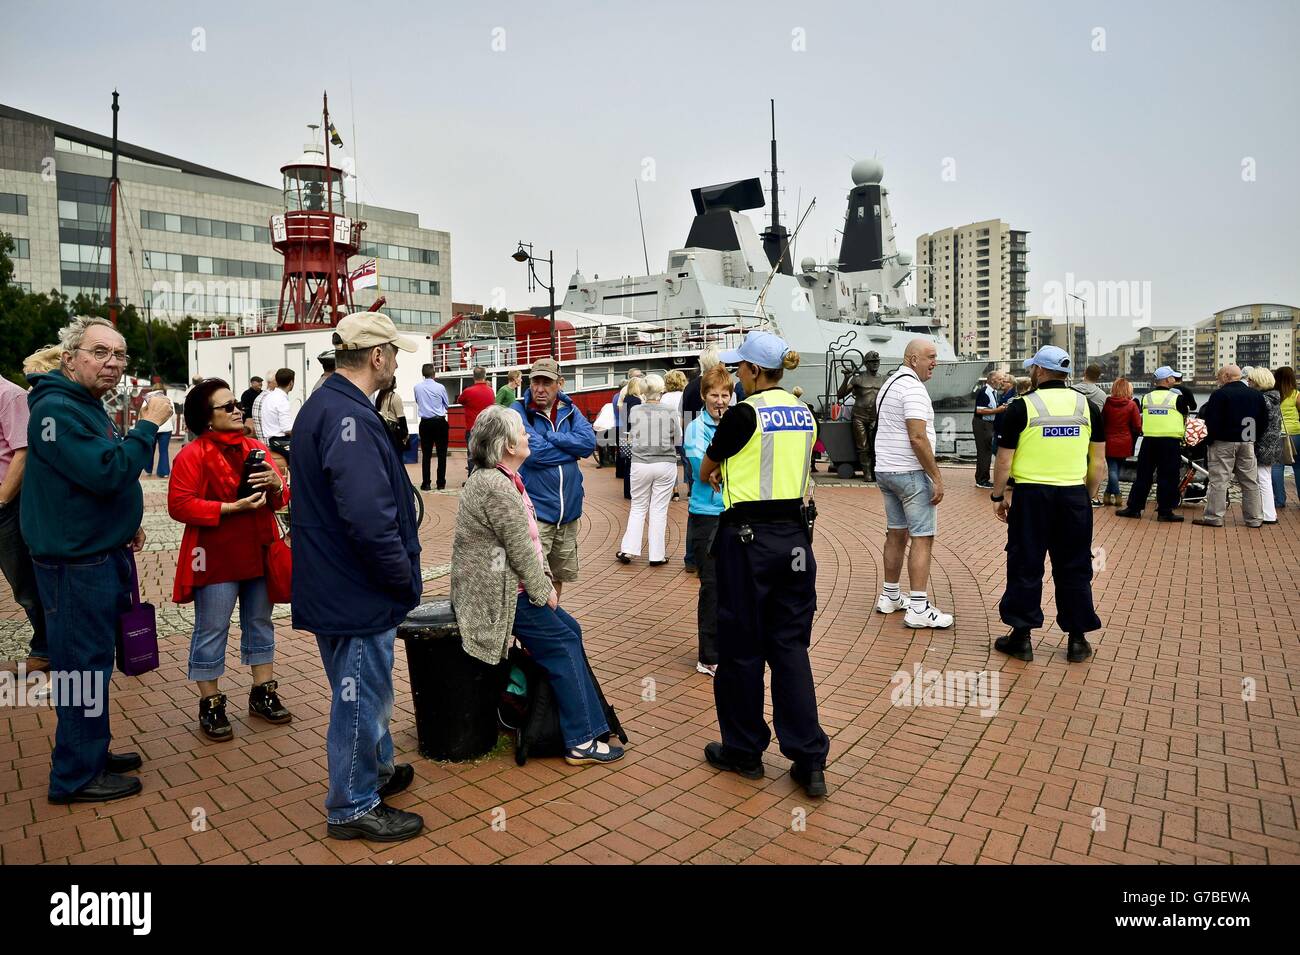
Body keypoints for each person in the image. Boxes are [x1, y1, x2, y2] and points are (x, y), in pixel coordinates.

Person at [23, 316, 173, 804]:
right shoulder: (56, 410)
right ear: (70, 359)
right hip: (76, 564)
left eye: (120, 355)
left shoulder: (83, 404)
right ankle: (74, 776)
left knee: (93, 661)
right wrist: (149, 424)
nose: (112, 363)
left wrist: (123, 524)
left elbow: (91, 484)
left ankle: (91, 752)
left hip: (96, 552)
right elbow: (109, 472)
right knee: (80, 665)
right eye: (100, 352)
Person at [291, 313, 424, 842]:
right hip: (356, 585)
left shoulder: (325, 405)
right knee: (360, 695)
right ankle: (352, 803)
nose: (396, 363)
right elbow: (368, 519)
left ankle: (379, 769)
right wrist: (401, 579)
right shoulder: (347, 414)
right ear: (377, 357)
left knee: (363, 688)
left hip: (335, 579)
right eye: (394, 353)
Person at [452, 405, 623, 765]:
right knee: (561, 643)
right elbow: (519, 549)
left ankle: (595, 723)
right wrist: (543, 592)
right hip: (497, 597)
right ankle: (581, 740)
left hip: (509, 589)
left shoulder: (506, 479)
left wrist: (543, 584)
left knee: (570, 632)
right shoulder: (494, 486)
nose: (528, 435)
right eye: (521, 431)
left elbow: (527, 545)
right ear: (506, 445)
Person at [698, 330, 829, 798]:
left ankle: (744, 750)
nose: (737, 375)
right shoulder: (804, 411)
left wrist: (719, 478)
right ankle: (809, 759)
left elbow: (705, 470)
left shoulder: (742, 414)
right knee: (791, 647)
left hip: (747, 540)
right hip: (795, 540)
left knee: (741, 648)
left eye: (740, 369)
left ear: (754, 371)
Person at [168, 378, 292, 741]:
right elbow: (179, 504)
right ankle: (211, 702)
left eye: (236, 404)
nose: (238, 410)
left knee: (260, 621)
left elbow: (281, 500)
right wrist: (228, 507)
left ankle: (263, 692)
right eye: (228, 407)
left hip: (258, 549)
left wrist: (276, 484)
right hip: (215, 554)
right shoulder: (193, 454)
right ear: (207, 418)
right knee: (212, 627)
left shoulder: (256, 447)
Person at [989, 345, 1106, 663]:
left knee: (1026, 564)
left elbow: (1004, 460)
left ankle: (1022, 636)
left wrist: (999, 496)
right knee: (1074, 566)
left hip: (1031, 497)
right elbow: (1098, 463)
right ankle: (1078, 639)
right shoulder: (1088, 407)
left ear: (1039, 371)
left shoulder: (1021, 407)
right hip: (1073, 496)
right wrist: (1088, 495)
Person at [872, 339, 954, 629]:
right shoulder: (914, 389)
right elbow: (917, 437)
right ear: (912, 359)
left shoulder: (890, 383)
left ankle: (890, 595)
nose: (935, 362)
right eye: (930, 357)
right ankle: (919, 607)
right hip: (909, 473)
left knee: (896, 533)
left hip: (886, 470)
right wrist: (936, 476)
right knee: (922, 537)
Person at [512, 358, 596, 604]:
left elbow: (588, 444)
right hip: (537, 514)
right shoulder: (518, 411)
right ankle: (534, 637)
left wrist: (550, 435)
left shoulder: (570, 410)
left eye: (546, 382)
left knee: (557, 576)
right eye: (535, 381)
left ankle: (552, 622)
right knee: (532, 579)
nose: (540, 388)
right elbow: (535, 454)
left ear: (559, 384)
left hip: (568, 514)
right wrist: (570, 447)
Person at [684, 365, 732, 675]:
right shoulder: (695, 428)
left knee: (733, 584)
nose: (720, 400)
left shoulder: (736, 423)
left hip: (733, 512)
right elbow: (703, 467)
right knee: (711, 586)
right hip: (706, 516)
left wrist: (720, 468)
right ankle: (709, 655)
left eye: (725, 394)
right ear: (703, 396)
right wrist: (723, 467)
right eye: (714, 394)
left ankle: (728, 645)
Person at [0, 374, 48, 675]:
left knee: (24, 580)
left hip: (9, 504)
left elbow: (23, 451)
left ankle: (46, 647)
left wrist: (3, 499)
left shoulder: (10, 395)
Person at [617, 373, 682, 566]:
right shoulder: (670, 411)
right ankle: (656, 555)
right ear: (661, 390)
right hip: (665, 462)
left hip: (640, 462)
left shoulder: (635, 410)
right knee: (659, 510)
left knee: (638, 507)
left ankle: (629, 550)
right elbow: (677, 438)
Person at [1116, 366, 1193, 522]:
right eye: (1173, 377)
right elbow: (1191, 405)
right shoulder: (1177, 398)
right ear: (1167, 380)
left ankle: (1134, 508)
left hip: (1149, 441)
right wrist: (1179, 387)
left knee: (1143, 476)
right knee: (1168, 477)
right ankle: (1165, 511)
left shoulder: (1146, 397)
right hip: (1170, 442)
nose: (1175, 380)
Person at [1194, 364, 1266, 528]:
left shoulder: (1220, 394)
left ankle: (1214, 517)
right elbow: (1263, 421)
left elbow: (1211, 421)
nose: (1217, 380)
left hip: (1223, 442)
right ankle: (1254, 518)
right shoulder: (1256, 395)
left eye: (1219, 376)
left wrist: (1209, 441)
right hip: (1247, 441)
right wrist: (1254, 438)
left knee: (1219, 480)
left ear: (1226, 376)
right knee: (1250, 482)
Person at [1247, 367, 1282, 524]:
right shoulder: (1274, 398)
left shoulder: (1261, 400)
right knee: (1265, 478)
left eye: (1251, 380)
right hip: (1272, 443)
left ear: (1257, 382)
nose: (1248, 382)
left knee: (1262, 480)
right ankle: (1268, 513)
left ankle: (1268, 514)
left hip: (1261, 443)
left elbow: (1253, 423)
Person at [1101, 377, 1142, 506]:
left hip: (1109, 441)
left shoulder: (1107, 403)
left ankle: (1108, 494)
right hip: (1125, 441)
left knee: (1112, 469)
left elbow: (1102, 421)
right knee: (1117, 469)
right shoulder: (1132, 405)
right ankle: (1118, 495)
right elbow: (1137, 426)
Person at [415, 363, 450, 491]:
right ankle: (441, 482)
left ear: (423, 374)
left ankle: (426, 483)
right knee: (442, 454)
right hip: (439, 421)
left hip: (425, 422)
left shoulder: (417, 387)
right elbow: (446, 404)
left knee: (426, 454)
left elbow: (418, 401)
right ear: (434, 373)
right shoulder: (440, 387)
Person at [459, 366, 496, 475]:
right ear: (485, 376)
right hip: (488, 427)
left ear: (473, 376)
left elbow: (460, 400)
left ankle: (472, 479)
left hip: (472, 428)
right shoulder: (491, 391)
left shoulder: (468, 391)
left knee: (472, 456)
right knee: (488, 454)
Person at [1272, 366, 1300, 507]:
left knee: (1277, 468)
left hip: (1278, 434)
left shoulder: (1273, 395)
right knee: (1299, 467)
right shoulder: (1296, 394)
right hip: (1296, 434)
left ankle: (1279, 500)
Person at [972, 373, 1005, 488]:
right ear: (992, 380)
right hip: (982, 424)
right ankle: (982, 480)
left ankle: (983, 478)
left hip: (988, 423)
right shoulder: (985, 391)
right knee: (984, 451)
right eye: (1000, 379)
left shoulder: (993, 392)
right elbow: (980, 410)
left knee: (986, 451)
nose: (1002, 381)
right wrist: (998, 410)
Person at [615, 376, 644, 500]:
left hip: (625, 433)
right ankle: (632, 492)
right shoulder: (636, 401)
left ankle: (628, 491)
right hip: (633, 435)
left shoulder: (626, 398)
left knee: (629, 464)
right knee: (634, 464)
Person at [260, 368, 295, 464]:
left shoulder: (269, 396)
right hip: (280, 441)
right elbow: (287, 429)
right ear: (291, 383)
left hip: (271, 440)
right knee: (306, 453)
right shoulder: (282, 400)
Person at [662, 369, 688, 501]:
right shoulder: (684, 395)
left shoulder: (664, 398)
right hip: (683, 431)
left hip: (668, 433)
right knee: (687, 461)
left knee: (671, 462)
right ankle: (690, 489)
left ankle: (675, 491)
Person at [375, 377, 410, 458]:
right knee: (398, 456)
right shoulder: (395, 397)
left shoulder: (381, 396)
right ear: (392, 384)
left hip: (385, 429)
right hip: (395, 432)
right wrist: (405, 432)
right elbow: (401, 417)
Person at [143, 388, 174, 479]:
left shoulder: (148, 399)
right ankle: (164, 472)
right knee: (163, 451)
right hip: (166, 428)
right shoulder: (168, 399)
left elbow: (143, 412)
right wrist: (172, 425)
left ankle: (148, 469)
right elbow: (173, 413)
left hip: (152, 426)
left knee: (150, 449)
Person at [249, 374, 275, 441]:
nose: (260, 383)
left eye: (261, 382)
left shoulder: (262, 393)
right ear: (252, 383)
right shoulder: (247, 394)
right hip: (252, 422)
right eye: (258, 382)